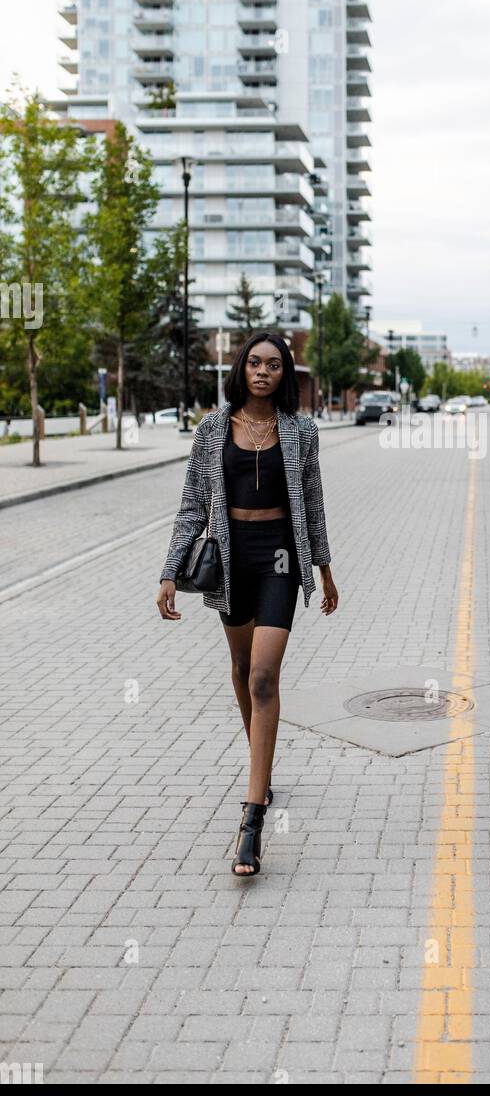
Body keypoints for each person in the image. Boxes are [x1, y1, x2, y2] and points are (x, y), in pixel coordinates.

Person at [156, 331, 339, 878]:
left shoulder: (301, 432)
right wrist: (170, 571)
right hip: (231, 557)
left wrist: (325, 570)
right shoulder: (212, 429)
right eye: (255, 363)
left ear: (285, 375)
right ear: (242, 368)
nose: (263, 372)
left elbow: (312, 501)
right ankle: (264, 763)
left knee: (263, 677)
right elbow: (193, 504)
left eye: (274, 365)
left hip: (282, 556)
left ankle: (252, 818)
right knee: (240, 669)